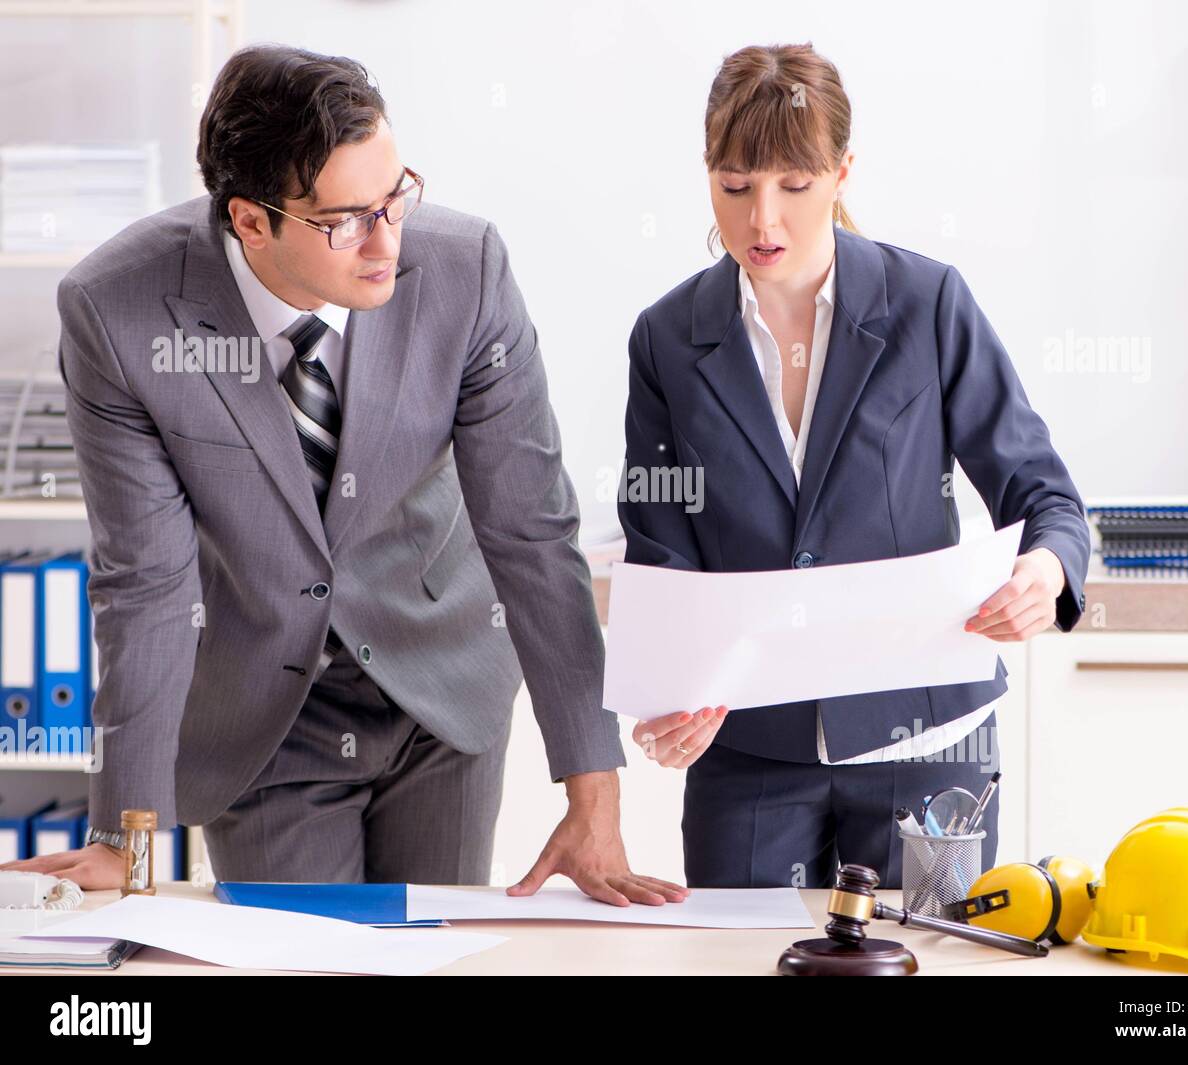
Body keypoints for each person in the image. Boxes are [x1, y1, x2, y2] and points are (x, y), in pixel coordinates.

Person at [2, 45, 686, 908]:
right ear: (252, 222)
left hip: (443, 680)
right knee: (301, 959)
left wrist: (595, 791)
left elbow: (530, 529)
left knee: (427, 949)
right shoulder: (119, 311)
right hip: (265, 709)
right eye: (347, 220)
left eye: (396, 196)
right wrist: (125, 836)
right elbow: (145, 585)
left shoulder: (464, 270)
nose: (388, 241)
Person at [622, 43, 1091, 890]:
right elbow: (662, 549)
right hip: (750, 751)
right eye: (736, 186)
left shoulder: (930, 303)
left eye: (794, 187)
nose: (763, 221)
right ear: (708, 175)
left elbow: (1043, 491)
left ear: (842, 172)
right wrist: (670, 690)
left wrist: (1046, 569)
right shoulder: (665, 339)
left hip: (929, 745)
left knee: (926, 955)